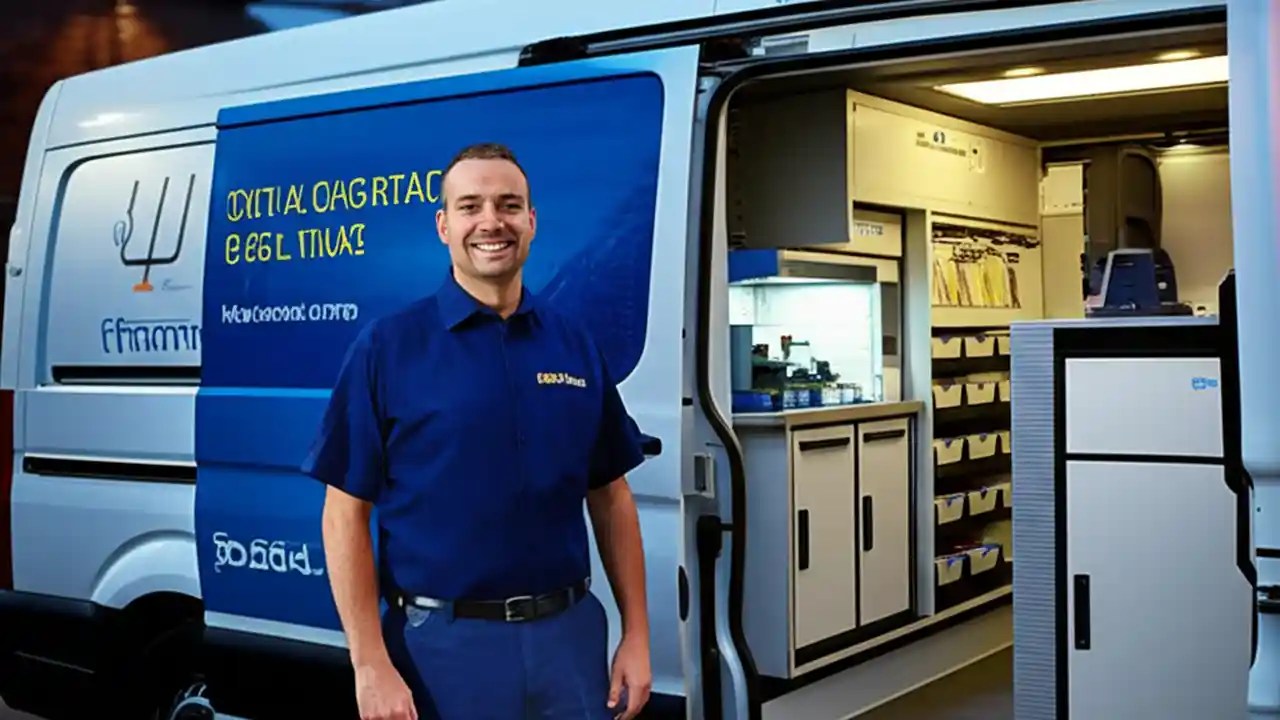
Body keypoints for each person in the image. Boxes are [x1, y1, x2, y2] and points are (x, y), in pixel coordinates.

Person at [302, 142, 653, 720]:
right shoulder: (389, 348)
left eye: (509, 205)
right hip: (443, 648)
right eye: (470, 206)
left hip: (568, 642)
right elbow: (344, 513)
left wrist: (637, 634)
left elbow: (611, 497)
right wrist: (369, 664)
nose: (491, 221)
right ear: (444, 225)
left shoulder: (574, 344)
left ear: (532, 221)